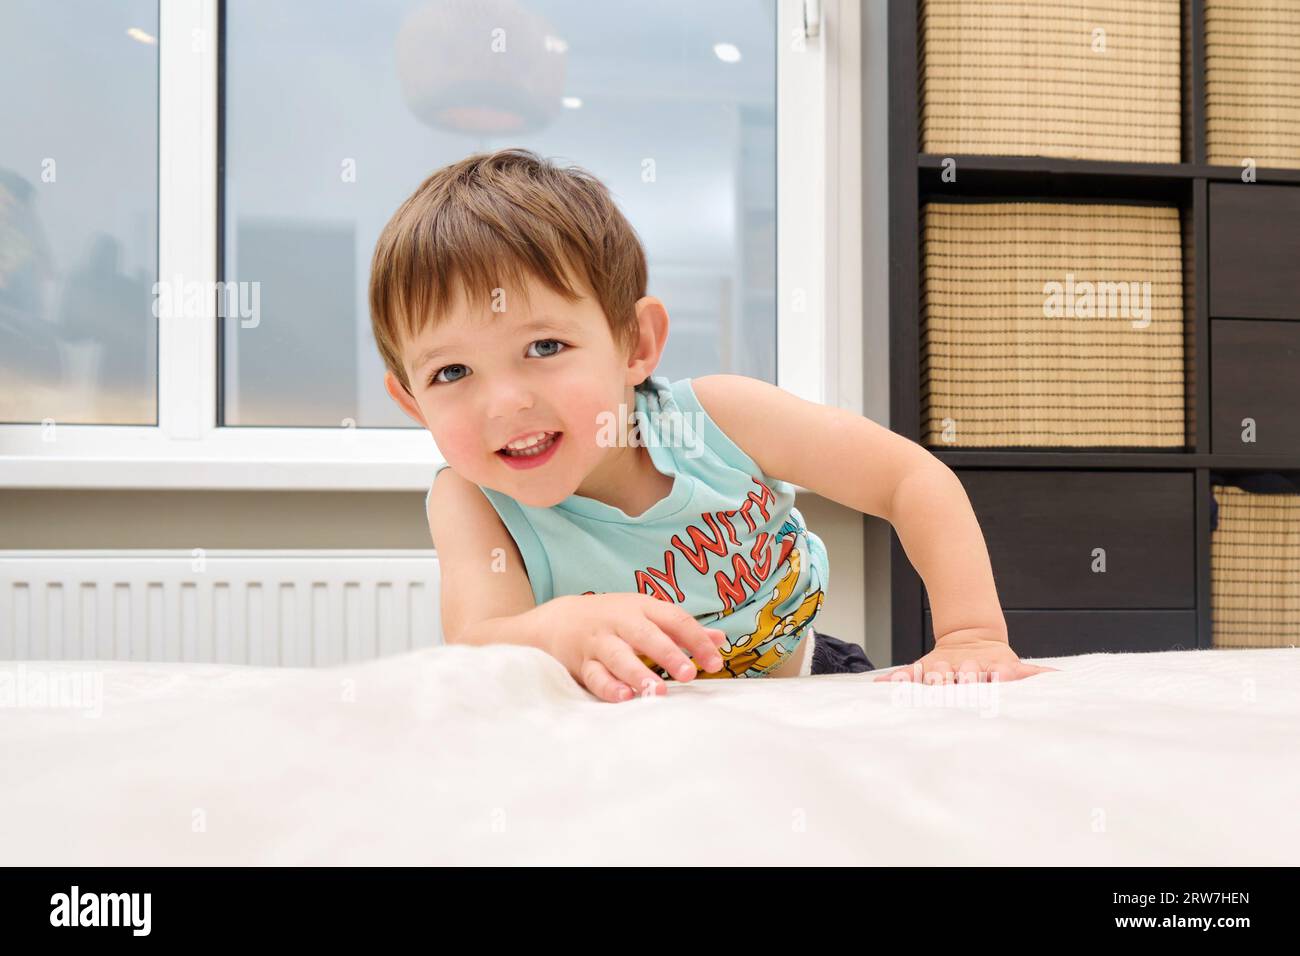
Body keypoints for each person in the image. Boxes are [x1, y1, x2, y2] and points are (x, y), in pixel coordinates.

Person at [371, 148, 1055, 702]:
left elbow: (909, 477)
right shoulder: (467, 499)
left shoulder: (717, 418)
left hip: (809, 679)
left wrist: (970, 633)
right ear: (412, 402)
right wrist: (551, 630)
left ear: (635, 346)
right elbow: (476, 642)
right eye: (452, 373)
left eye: (545, 347)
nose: (504, 404)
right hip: (622, 720)